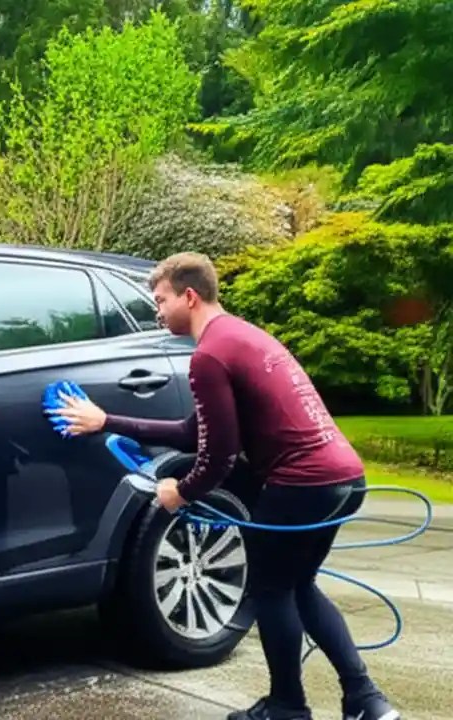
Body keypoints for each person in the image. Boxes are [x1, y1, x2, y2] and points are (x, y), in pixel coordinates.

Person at [51, 252, 399, 720]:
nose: (156, 311)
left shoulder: (210, 355)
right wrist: (106, 421)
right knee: (299, 585)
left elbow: (218, 458)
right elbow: (189, 431)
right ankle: (365, 700)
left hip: (301, 482)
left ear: (189, 296)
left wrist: (181, 492)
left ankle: (287, 706)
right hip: (344, 476)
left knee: (271, 589)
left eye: (161, 299)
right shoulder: (243, 337)